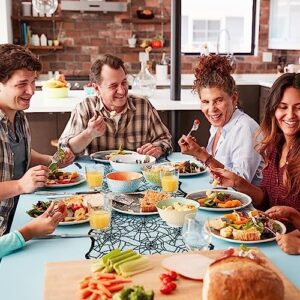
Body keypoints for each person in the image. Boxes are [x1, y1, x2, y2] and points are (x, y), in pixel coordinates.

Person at [0, 44, 74, 236]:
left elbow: (17, 154)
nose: (31, 91)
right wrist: (20, 185)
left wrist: (51, 160)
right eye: (22, 84)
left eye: (33, 82)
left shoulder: (18, 114)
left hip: (21, 208)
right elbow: (20, 182)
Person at [211, 73, 300, 211]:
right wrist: (237, 182)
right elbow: (265, 199)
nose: (290, 115)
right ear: (273, 109)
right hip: (269, 230)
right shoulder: (273, 146)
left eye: (298, 107)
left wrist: (293, 217)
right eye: (283, 107)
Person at [59, 54, 172, 158]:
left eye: (124, 82)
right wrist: (89, 134)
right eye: (113, 86)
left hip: (135, 175)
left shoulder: (143, 105)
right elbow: (63, 149)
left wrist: (158, 149)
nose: (122, 91)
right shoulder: (85, 107)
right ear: (97, 89)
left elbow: (165, 139)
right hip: (97, 176)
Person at [178, 55, 262, 184]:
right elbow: (218, 167)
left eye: (218, 100)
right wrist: (196, 154)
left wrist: (202, 154)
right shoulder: (218, 125)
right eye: (205, 102)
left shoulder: (246, 128)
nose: (211, 109)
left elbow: (241, 183)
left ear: (233, 99)